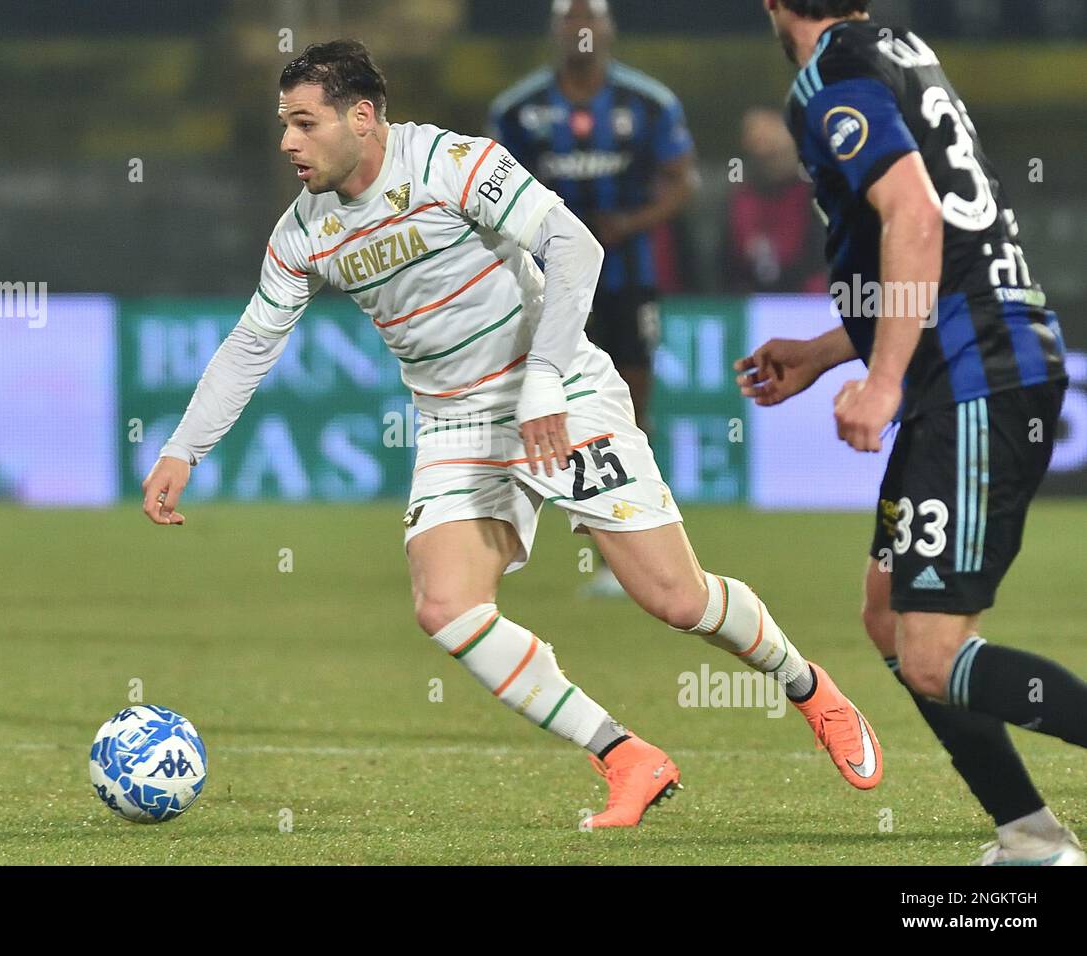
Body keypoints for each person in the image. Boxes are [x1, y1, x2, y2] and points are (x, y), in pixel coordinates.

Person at [142, 39, 882, 829]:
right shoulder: (304, 232)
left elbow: (575, 244)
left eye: (303, 122)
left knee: (675, 598)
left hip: (560, 391)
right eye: (283, 124)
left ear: (362, 118)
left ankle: (810, 688)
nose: (288, 141)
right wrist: (185, 446)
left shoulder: (451, 164)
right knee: (446, 605)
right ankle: (625, 756)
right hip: (456, 422)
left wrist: (545, 380)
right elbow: (255, 340)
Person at [738, 0, 1083, 864]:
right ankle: (1031, 836)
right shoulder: (898, 47)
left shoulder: (830, 77)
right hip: (975, 362)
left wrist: (881, 379)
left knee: (931, 652)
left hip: (974, 373)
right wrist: (828, 350)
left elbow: (917, 218)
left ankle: (1035, 839)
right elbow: (938, 235)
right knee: (891, 617)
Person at [489, 0, 699, 596]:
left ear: (608, 28)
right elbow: (488, 188)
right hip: (542, 286)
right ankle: (497, 542)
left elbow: (682, 180)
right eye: (569, 17)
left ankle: (626, 553)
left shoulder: (648, 103)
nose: (581, 28)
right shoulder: (518, 110)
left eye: (591, 17)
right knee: (524, 402)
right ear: (555, 29)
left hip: (628, 279)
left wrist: (631, 224)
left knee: (631, 408)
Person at [724, 107, 827, 294]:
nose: (759, 138)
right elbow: (726, 258)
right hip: (750, 299)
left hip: (809, 301)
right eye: (752, 132)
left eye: (768, 128)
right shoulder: (740, 195)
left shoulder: (815, 190)